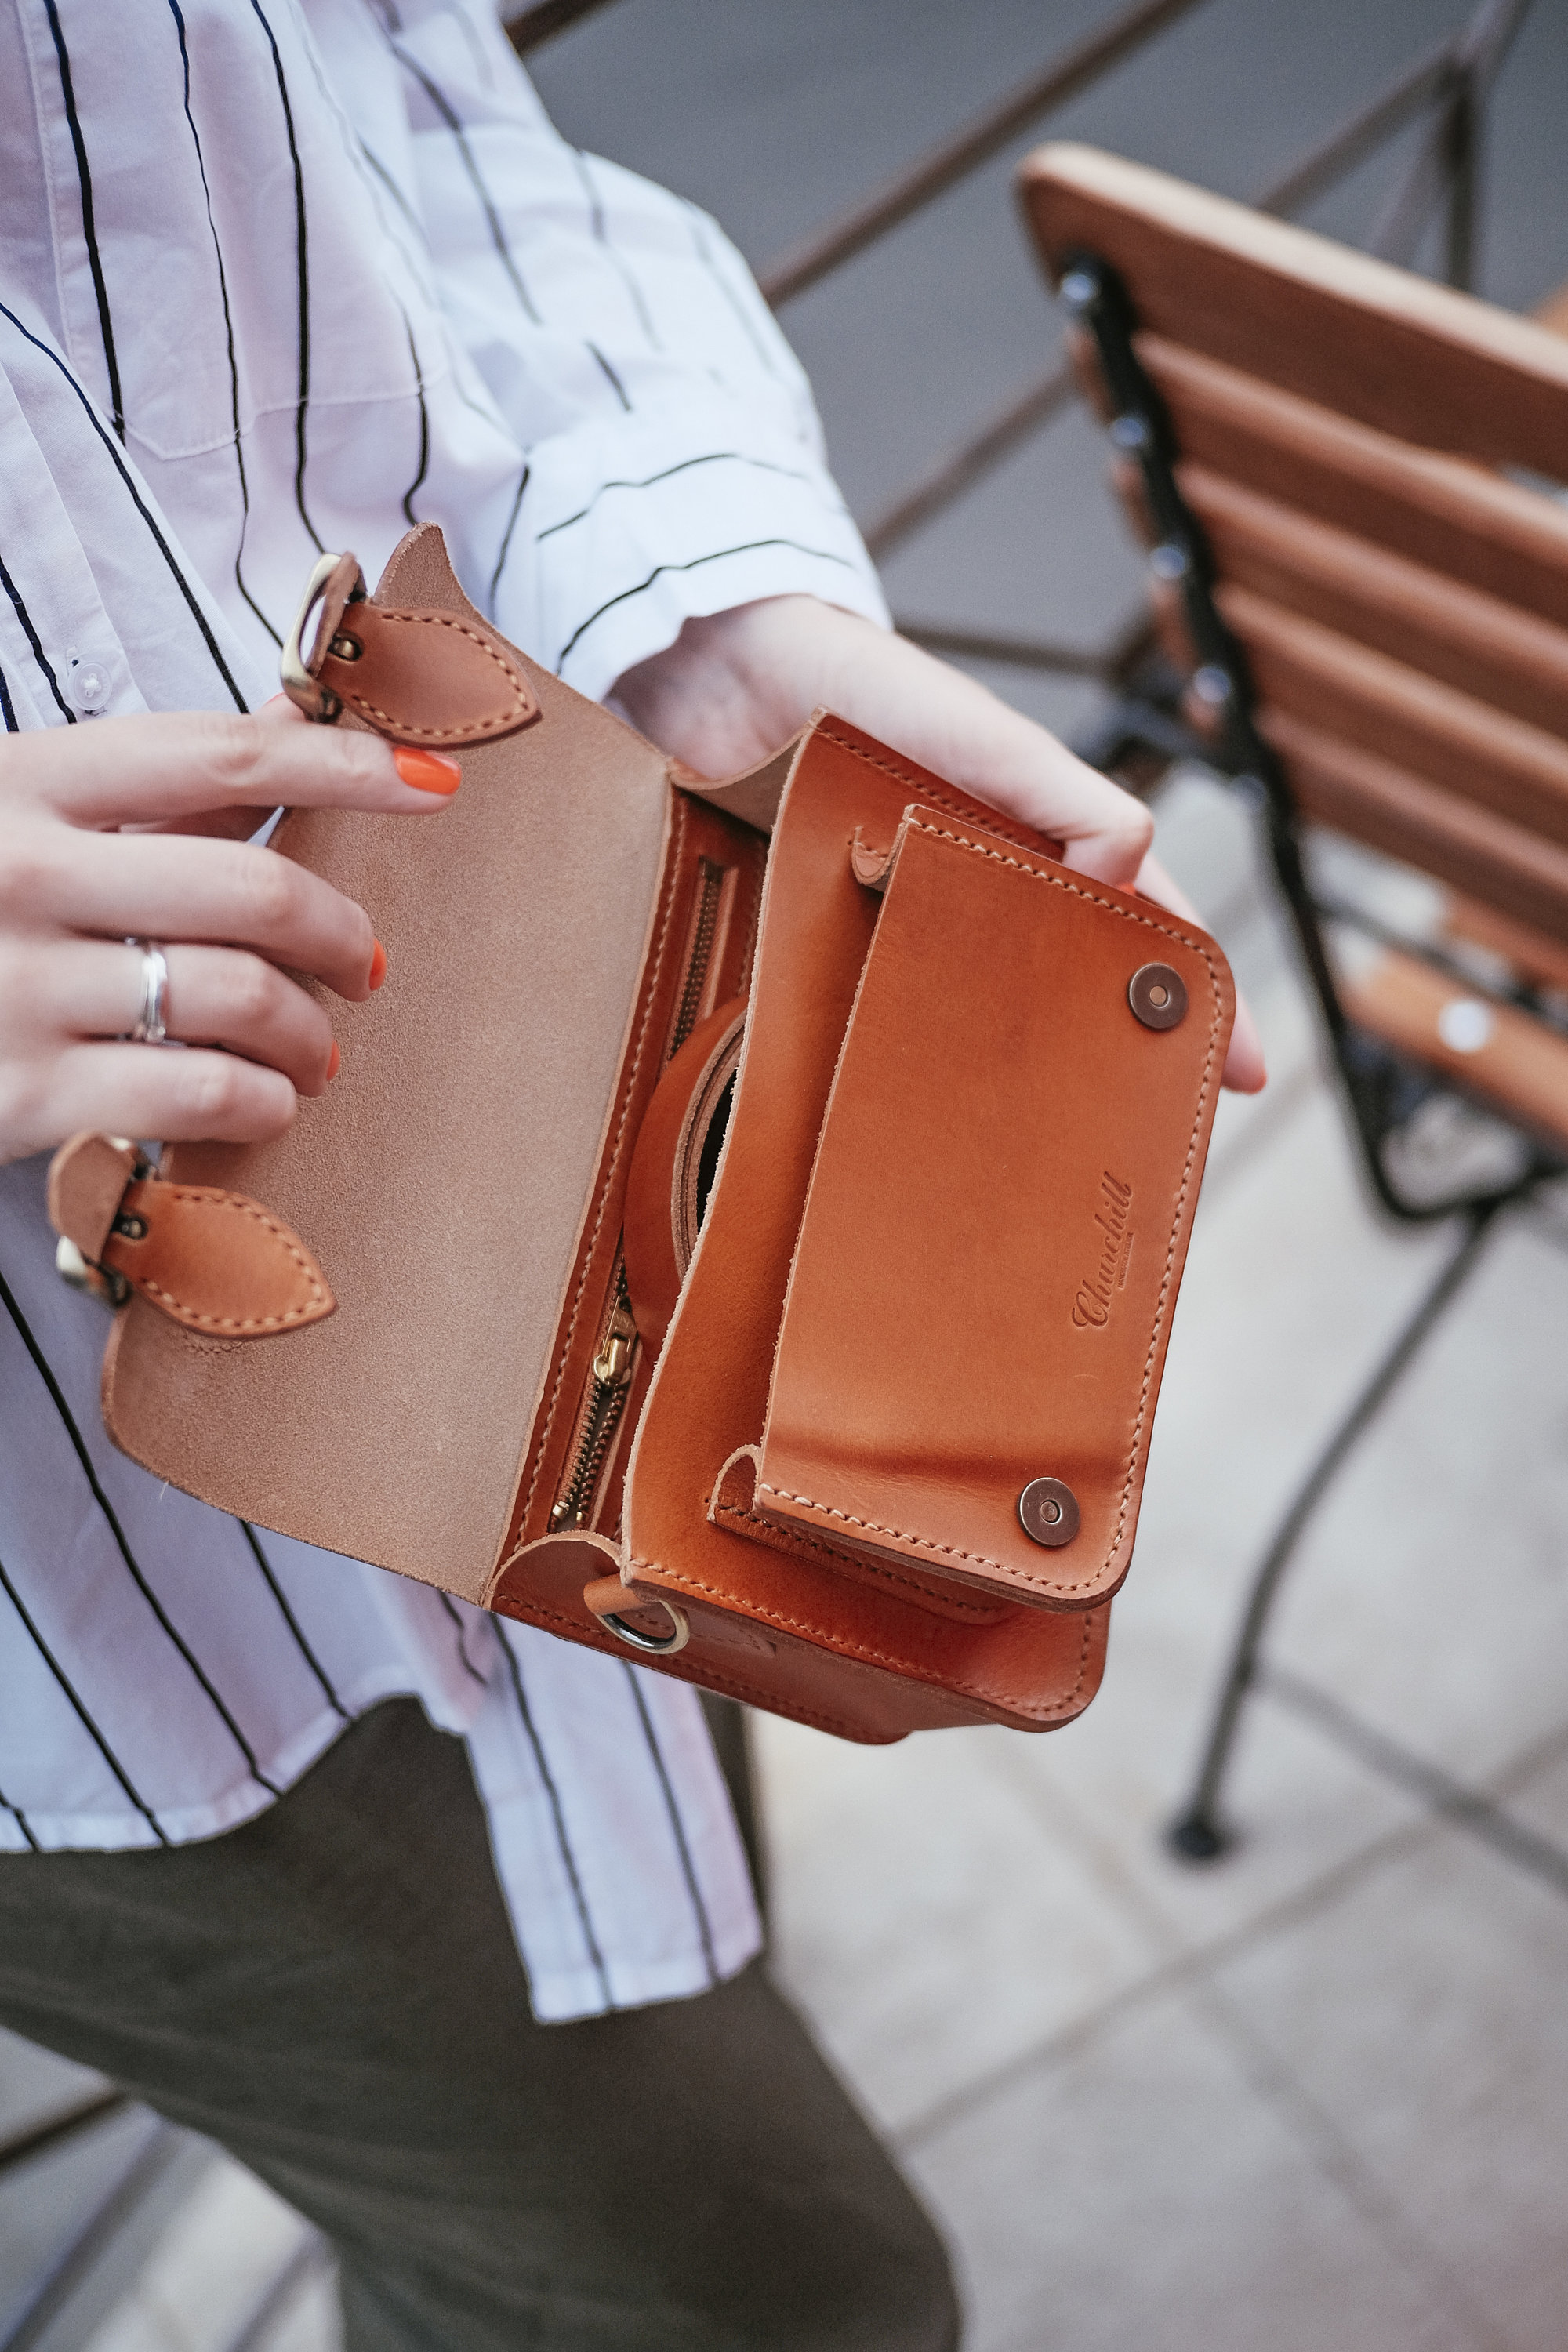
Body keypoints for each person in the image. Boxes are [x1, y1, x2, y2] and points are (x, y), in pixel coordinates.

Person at [0, 4, 1265, 2345]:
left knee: (700, 1575)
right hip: (89, 1595)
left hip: (565, 997)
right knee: (755, 2296)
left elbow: (396, 96)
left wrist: (696, 619)